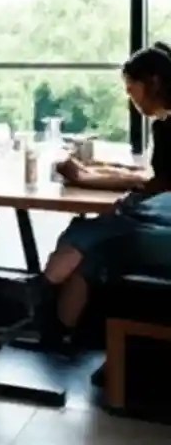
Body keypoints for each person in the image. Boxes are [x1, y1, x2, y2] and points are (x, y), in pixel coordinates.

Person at [39, 43, 171, 341]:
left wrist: (91, 179)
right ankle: (60, 335)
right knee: (93, 248)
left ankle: (42, 290)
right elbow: (157, 181)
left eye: (131, 87)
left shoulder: (167, 127)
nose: (129, 97)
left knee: (97, 231)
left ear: (153, 82)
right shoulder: (165, 124)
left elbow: (160, 185)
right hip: (161, 220)